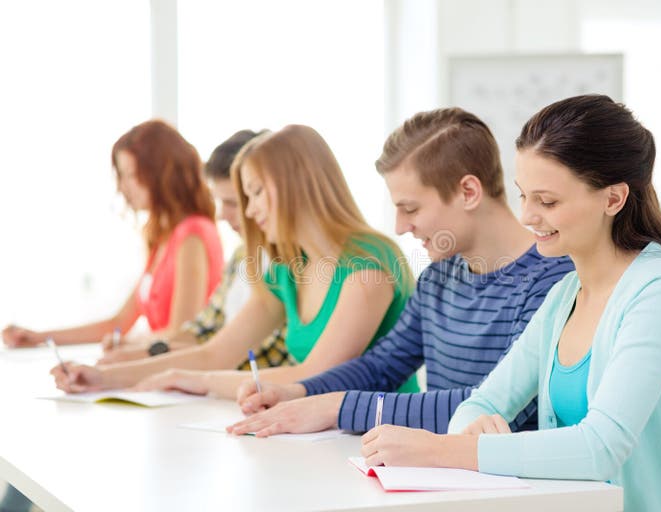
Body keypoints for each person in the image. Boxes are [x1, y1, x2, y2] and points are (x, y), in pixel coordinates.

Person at [358, 95, 661, 511]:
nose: (527, 216)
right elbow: (480, 403)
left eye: (548, 201)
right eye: (524, 196)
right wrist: (473, 429)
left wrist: (441, 450)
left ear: (613, 199)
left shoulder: (659, 290)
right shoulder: (565, 295)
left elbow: (600, 448)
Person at [223, 107, 573, 437]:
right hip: (442, 468)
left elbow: (496, 406)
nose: (400, 226)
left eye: (411, 208)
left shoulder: (551, 279)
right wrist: (297, 391)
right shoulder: (439, 277)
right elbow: (382, 366)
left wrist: (338, 407)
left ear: (468, 192)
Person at [51, 125, 419, 397]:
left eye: (256, 193)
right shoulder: (286, 267)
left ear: (294, 186)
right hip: (322, 435)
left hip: (381, 445)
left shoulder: (369, 264)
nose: (250, 210)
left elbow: (315, 375)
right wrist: (104, 378)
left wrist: (193, 380)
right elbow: (216, 353)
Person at [2, 120, 224, 348]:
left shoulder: (192, 234)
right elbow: (118, 323)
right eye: (122, 176)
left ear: (161, 173)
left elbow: (181, 334)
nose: (123, 187)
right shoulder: (162, 238)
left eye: (131, 175)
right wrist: (40, 337)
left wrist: (127, 344)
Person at [98, 129, 292, 370]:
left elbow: (218, 351)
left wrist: (140, 362)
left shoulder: (194, 233)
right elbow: (203, 333)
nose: (222, 215)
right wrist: (137, 355)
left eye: (234, 203)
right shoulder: (241, 256)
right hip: (220, 384)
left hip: (234, 386)